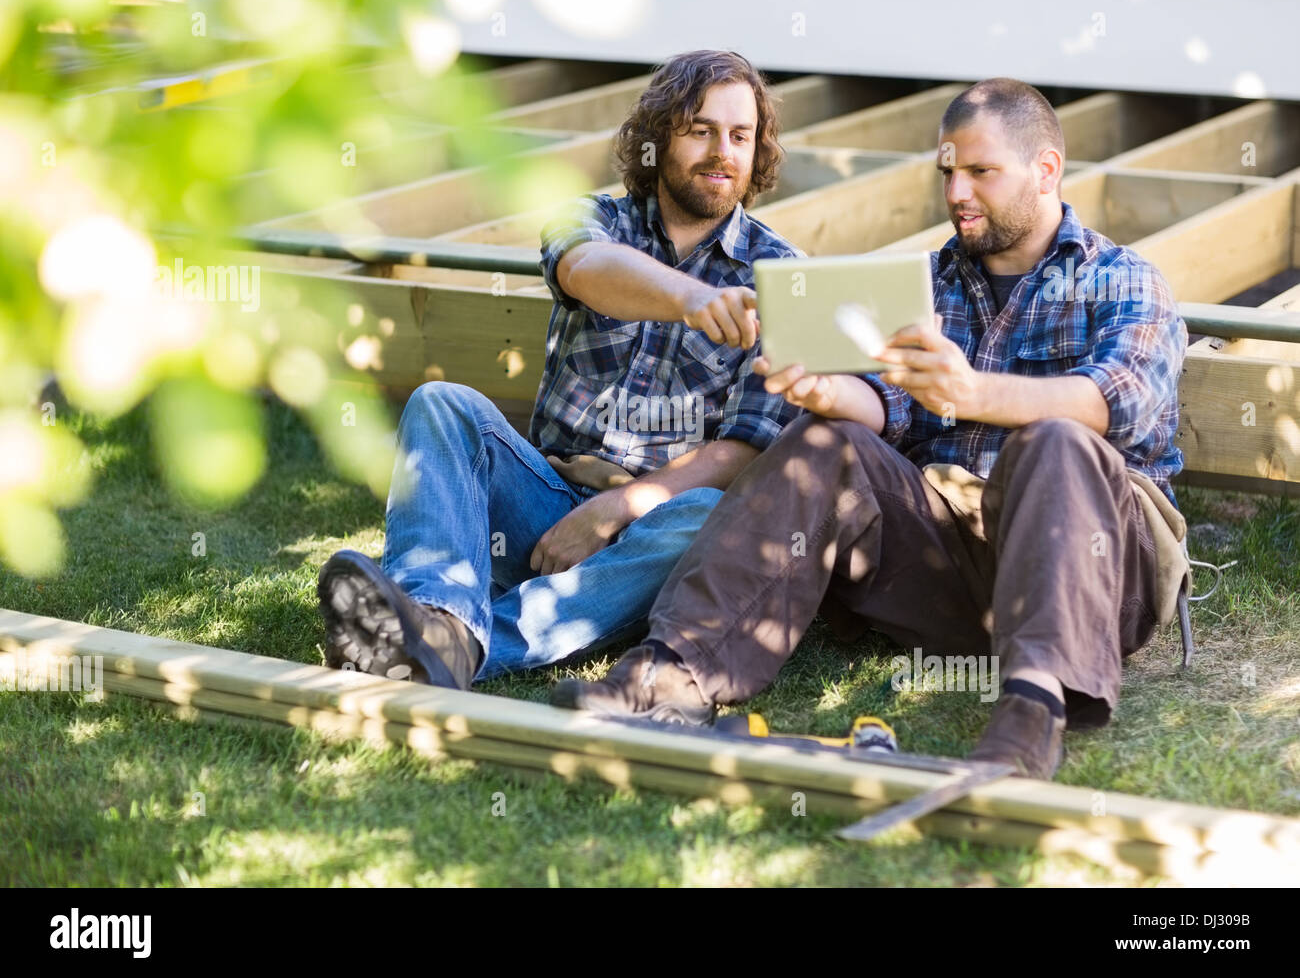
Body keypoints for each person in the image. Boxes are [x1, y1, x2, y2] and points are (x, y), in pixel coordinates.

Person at [552, 78, 1191, 778]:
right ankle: (673, 674)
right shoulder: (927, 283)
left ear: (1045, 171)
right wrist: (825, 391)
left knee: (1057, 439)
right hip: (958, 574)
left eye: (981, 172)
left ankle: (1033, 709)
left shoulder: (1121, 280)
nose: (957, 193)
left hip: (1093, 574)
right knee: (823, 440)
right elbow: (888, 404)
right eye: (948, 172)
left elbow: (1115, 401)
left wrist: (973, 392)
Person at [317, 50, 802, 691]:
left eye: (740, 135)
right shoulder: (594, 219)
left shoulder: (780, 275)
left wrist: (614, 508)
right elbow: (584, 268)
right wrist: (692, 299)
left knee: (709, 516)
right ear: (658, 136)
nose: (722, 152)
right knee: (440, 402)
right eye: (700, 130)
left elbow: (745, 450)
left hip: (643, 540)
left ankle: (447, 640)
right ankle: (434, 609)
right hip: (542, 502)